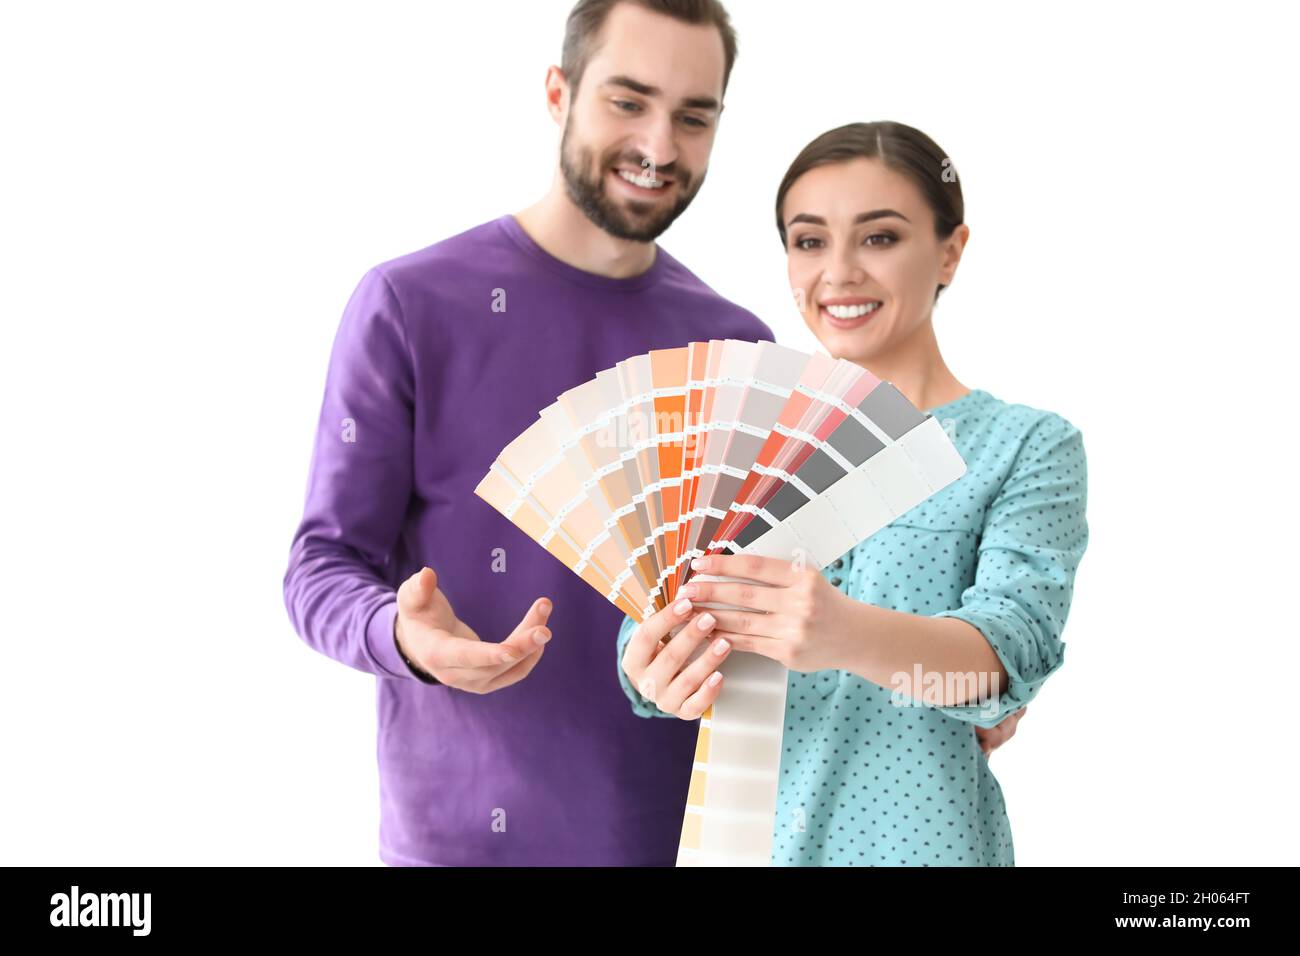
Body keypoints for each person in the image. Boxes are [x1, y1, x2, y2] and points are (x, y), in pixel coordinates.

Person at [281, 0, 775, 865]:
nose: (660, 147)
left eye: (694, 116)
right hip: (460, 849)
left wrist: (954, 692)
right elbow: (320, 566)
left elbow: (772, 613)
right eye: (629, 101)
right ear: (559, 92)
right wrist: (402, 637)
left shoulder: (736, 350)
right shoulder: (409, 307)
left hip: (679, 847)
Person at [617, 120, 1089, 865]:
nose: (838, 272)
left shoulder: (1024, 446)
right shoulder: (733, 443)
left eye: (879, 238)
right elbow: (648, 628)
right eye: (809, 241)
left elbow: (1009, 654)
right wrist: (652, 667)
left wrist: (840, 632)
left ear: (950, 251)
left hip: (925, 848)